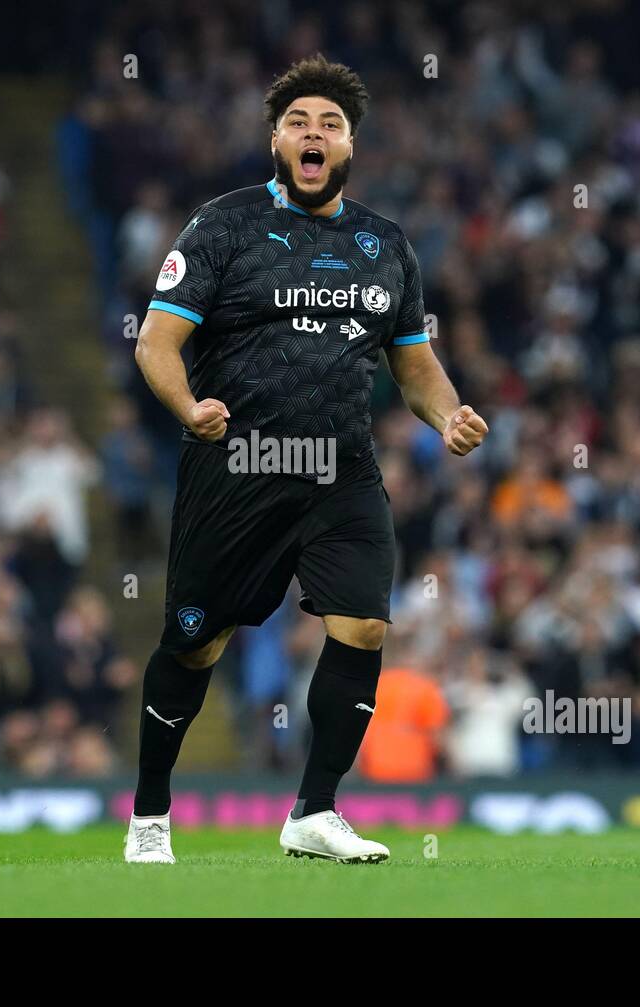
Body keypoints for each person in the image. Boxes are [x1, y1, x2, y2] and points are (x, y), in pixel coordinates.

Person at [126, 55, 488, 864]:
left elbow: (413, 361)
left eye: (329, 124)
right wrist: (189, 408)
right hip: (240, 464)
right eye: (299, 123)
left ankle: (314, 810)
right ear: (276, 141)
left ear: (350, 146)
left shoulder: (384, 245)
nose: (313, 134)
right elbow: (157, 340)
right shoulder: (223, 225)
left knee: (361, 623)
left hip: (342, 469)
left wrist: (447, 414)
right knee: (196, 643)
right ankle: (150, 811)